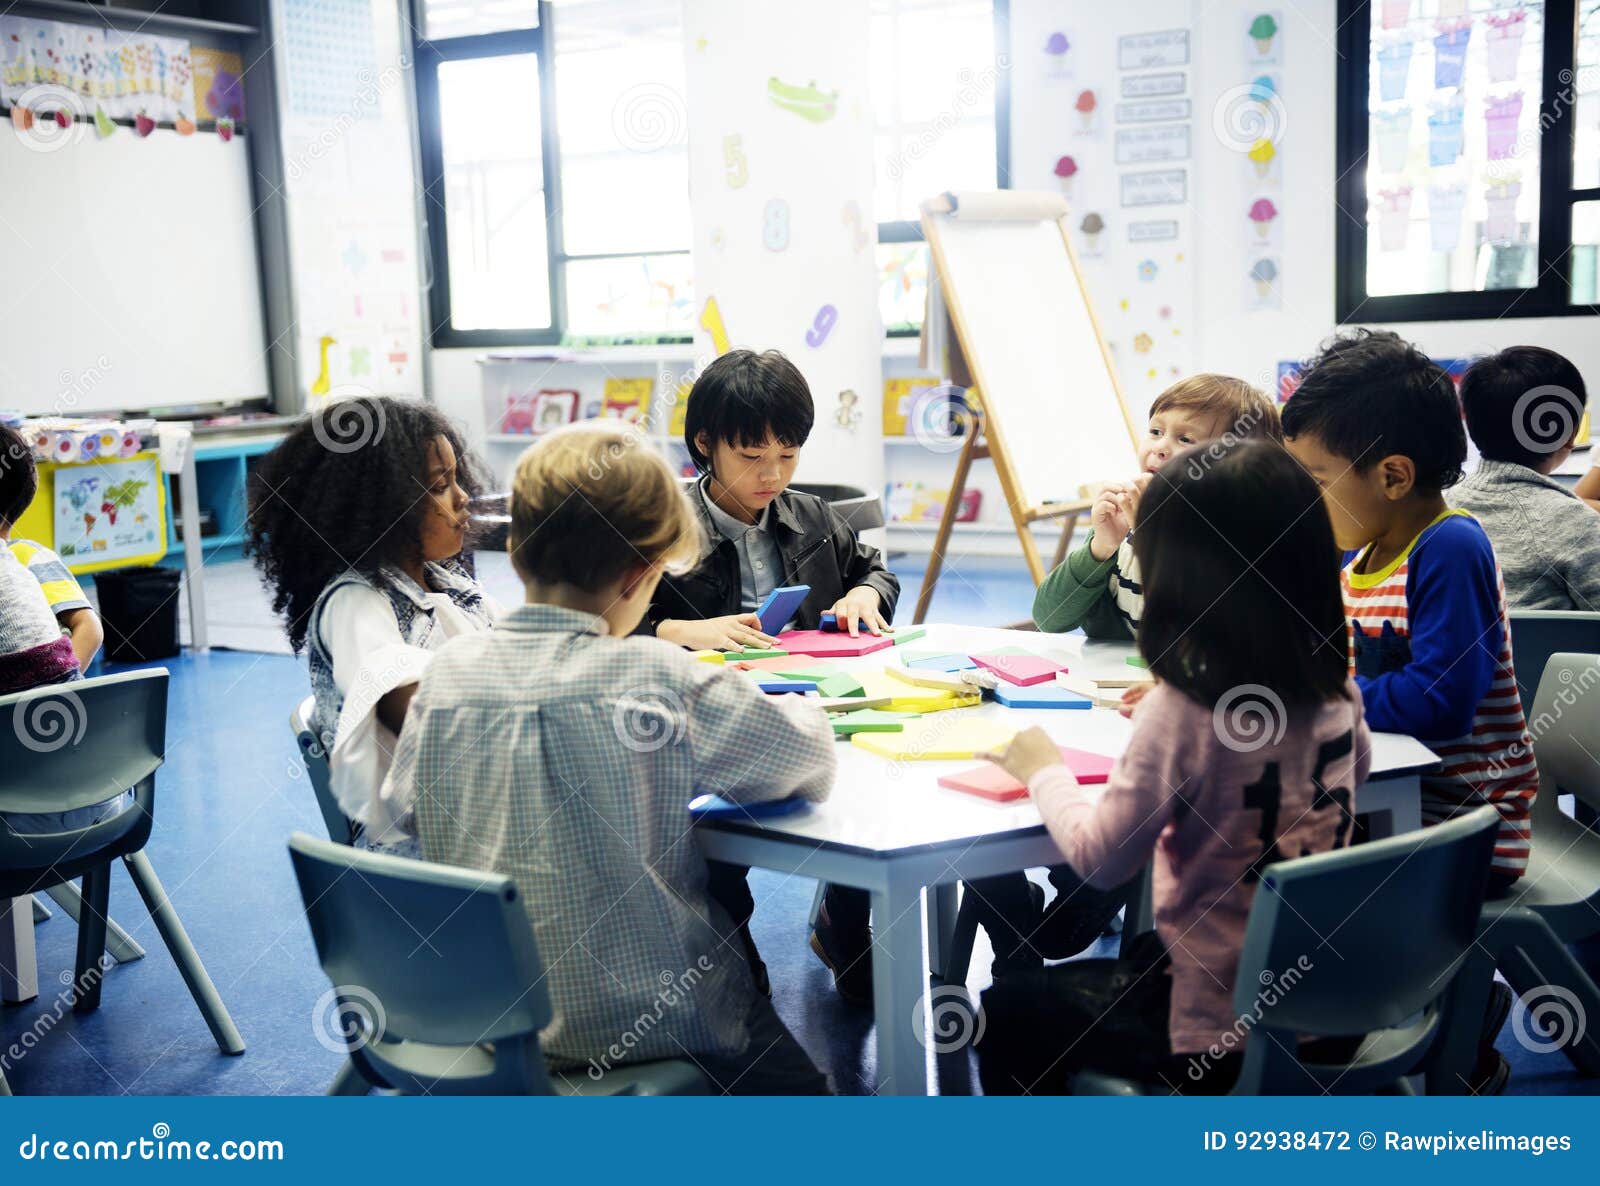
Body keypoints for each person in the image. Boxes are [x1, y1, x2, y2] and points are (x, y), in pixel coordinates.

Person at [389, 422, 835, 1093]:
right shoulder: (658, 677)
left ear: (515, 552)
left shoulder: (448, 675)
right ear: (642, 574)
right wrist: (801, 705)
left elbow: (407, 809)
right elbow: (808, 758)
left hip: (487, 1028)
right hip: (654, 1025)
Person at [977, 439, 1369, 1095]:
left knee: (1006, 1010)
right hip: (1330, 1000)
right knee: (1142, 953)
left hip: (1218, 1026)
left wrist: (1043, 768)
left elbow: (1101, 861)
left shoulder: (1183, 711)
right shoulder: (1339, 692)